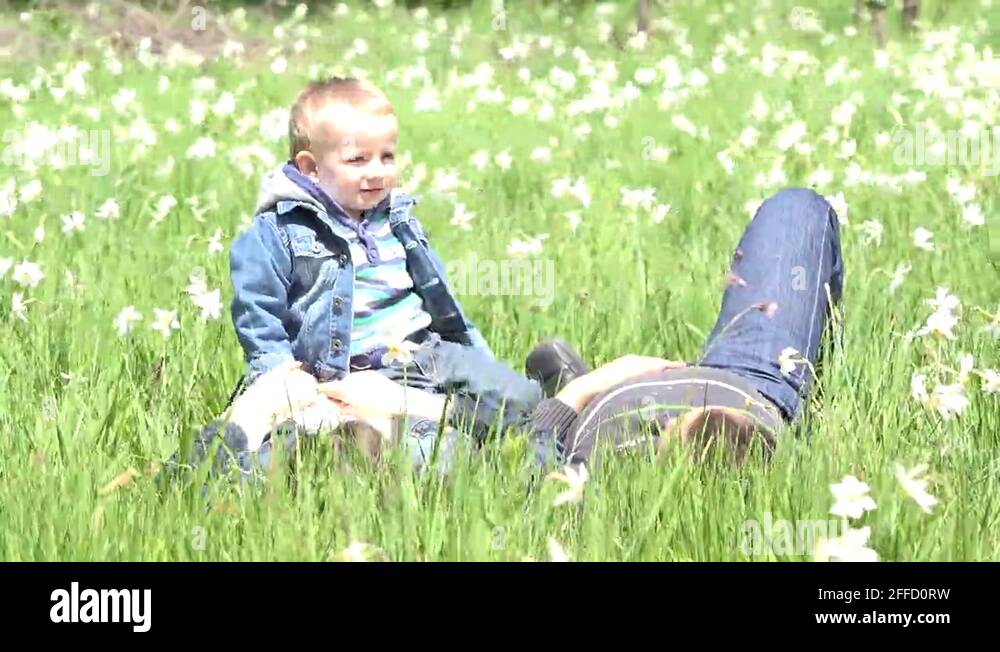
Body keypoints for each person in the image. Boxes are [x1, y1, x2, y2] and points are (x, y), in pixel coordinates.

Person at [314, 186, 845, 470]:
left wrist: (587, 388)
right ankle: (572, 378)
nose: (669, 424)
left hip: (607, 406)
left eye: (668, 434)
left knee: (550, 396)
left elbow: (535, 450)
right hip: (751, 373)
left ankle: (568, 379)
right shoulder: (741, 420)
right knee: (797, 207)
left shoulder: (593, 475)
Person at [225, 76, 548, 457]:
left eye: (387, 156)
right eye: (358, 160)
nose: (377, 172)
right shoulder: (279, 231)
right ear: (311, 168)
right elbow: (257, 308)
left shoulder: (395, 217)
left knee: (525, 399)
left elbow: (434, 293)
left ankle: (461, 417)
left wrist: (473, 353)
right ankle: (355, 443)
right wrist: (281, 375)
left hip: (426, 353)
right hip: (353, 372)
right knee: (433, 455)